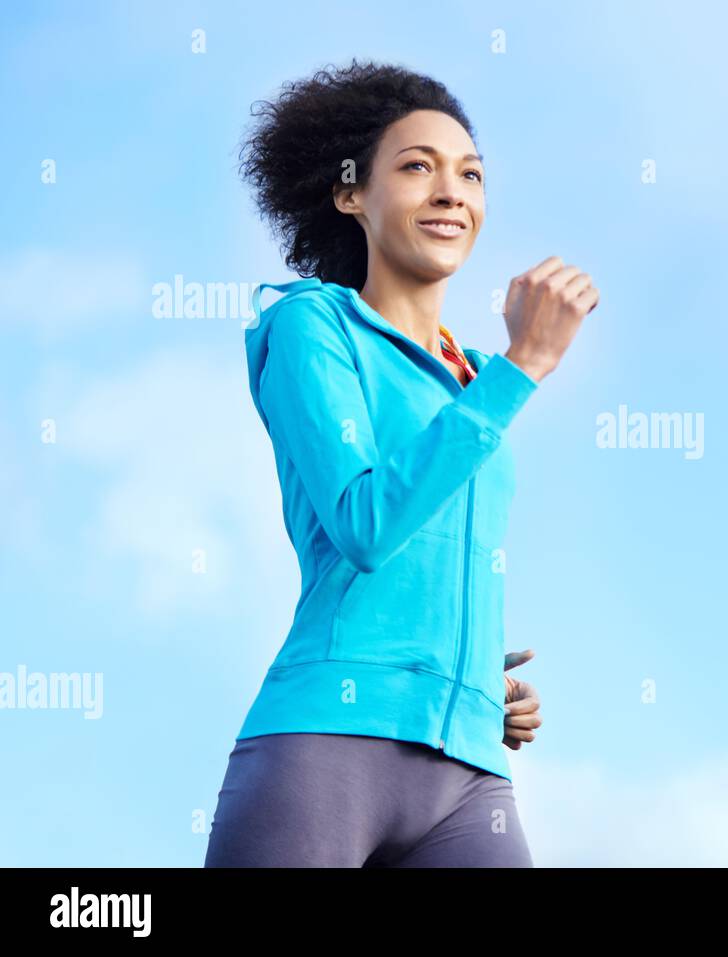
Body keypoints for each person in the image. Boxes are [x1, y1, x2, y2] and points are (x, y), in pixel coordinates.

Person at [204, 59, 598, 867]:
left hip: (470, 772)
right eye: (417, 167)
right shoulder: (312, 326)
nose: (452, 191)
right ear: (350, 194)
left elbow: (430, 555)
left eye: (471, 174)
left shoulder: (474, 377)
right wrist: (521, 365)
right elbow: (365, 523)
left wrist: (469, 680)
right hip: (325, 745)